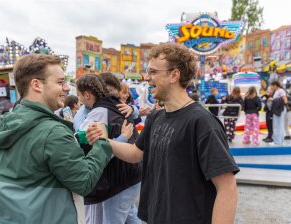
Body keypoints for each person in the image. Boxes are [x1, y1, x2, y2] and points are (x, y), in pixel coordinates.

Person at [87, 43, 239, 224]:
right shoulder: (156, 116)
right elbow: (136, 153)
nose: (147, 78)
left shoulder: (202, 122)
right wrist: (105, 141)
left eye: (153, 72)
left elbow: (227, 188)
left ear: (174, 75)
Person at [0, 54, 113, 224]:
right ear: (37, 85)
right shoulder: (53, 132)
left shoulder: (9, 121)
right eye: (60, 82)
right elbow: (84, 182)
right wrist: (102, 143)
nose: (67, 88)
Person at [76, 73, 141, 224]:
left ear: (87, 95)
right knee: (130, 215)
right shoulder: (114, 105)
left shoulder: (98, 112)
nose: (78, 100)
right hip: (130, 174)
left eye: (79, 95)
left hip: (119, 178)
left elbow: (85, 143)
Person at [270, 81, 288, 146]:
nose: (271, 87)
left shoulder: (281, 91)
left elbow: (285, 100)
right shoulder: (277, 91)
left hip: (280, 110)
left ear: (275, 85)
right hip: (277, 110)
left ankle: (279, 141)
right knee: (276, 125)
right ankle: (277, 141)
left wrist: (273, 100)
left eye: (271, 85)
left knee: (279, 125)